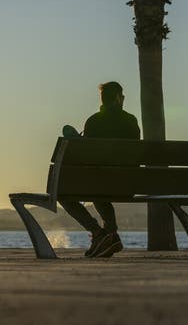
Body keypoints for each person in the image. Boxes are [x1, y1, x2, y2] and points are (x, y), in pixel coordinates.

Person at [61, 81, 140, 259]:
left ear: (103, 100)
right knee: (100, 185)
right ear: (119, 98)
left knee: (65, 194)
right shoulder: (131, 121)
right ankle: (109, 236)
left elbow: (86, 159)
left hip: (99, 183)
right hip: (127, 185)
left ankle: (98, 233)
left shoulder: (93, 122)